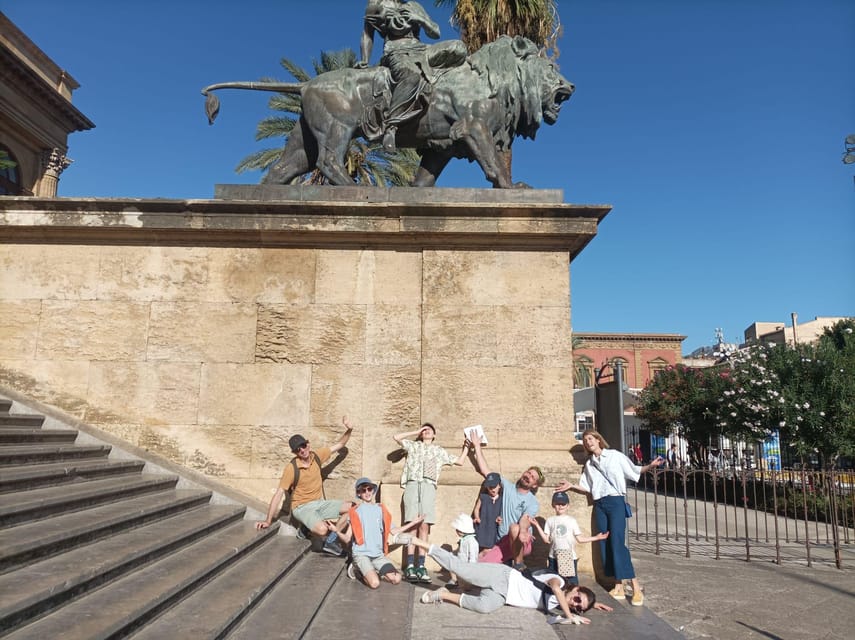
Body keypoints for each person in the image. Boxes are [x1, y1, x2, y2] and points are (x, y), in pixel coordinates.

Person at [555, 429, 665, 606]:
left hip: (615, 502)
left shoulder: (615, 456)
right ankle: (618, 585)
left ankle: (635, 587)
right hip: (600, 505)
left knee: (617, 543)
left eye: (591, 438)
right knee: (605, 543)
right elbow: (587, 487)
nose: (588, 442)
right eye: (585, 441)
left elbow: (634, 471)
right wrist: (571, 486)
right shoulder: (590, 464)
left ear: (599, 440)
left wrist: (650, 466)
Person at [408, 536, 612, 624]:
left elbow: (568, 602)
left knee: (484, 607)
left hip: (504, 595)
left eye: (578, 607)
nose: (574, 603)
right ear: (576, 589)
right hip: (504, 576)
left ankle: (443, 595)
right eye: (577, 598)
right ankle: (418, 542)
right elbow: (559, 592)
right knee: (462, 570)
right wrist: (570, 615)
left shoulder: (559, 606)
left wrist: (591, 605)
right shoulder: (557, 580)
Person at [358, 0, 466, 151]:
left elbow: (435, 32)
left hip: (422, 50)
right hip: (396, 51)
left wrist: (420, 19)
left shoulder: (414, 6)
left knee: (458, 48)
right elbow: (367, 34)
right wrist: (364, 60)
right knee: (412, 74)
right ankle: (391, 126)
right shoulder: (378, 5)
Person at [255, 416, 355, 556]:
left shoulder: (317, 456)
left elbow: (339, 445)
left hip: (319, 503)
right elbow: (278, 494)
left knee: (353, 508)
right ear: (294, 453)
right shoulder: (292, 468)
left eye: (303, 446)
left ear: (308, 444)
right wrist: (268, 520)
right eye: (297, 450)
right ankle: (307, 529)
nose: (302, 450)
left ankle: (330, 541)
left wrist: (349, 429)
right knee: (322, 530)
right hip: (301, 507)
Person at [393, 422, 469, 582]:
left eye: (429, 430)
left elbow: (460, 461)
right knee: (411, 525)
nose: (426, 431)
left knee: (424, 525)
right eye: (424, 430)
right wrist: (417, 431)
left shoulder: (438, 451)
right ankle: (410, 566)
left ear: (434, 435)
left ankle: (421, 565)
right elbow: (396, 437)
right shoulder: (413, 446)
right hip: (413, 484)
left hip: (428, 485)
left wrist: (467, 447)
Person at [468, 435, 542, 570]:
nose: (528, 476)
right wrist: (477, 446)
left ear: (534, 485)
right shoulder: (507, 487)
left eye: (532, 477)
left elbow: (525, 519)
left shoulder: (533, 501)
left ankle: (518, 565)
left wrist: (524, 531)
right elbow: (486, 471)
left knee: (514, 527)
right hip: (503, 542)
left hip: (522, 540)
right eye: (528, 473)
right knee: (479, 564)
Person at [336, 477, 423, 589]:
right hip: (361, 554)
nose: (367, 492)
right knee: (375, 584)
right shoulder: (355, 511)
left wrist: (413, 523)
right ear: (359, 493)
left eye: (369, 489)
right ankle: (357, 569)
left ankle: (371, 569)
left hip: (378, 555)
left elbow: (394, 531)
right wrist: (336, 531)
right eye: (363, 490)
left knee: (397, 579)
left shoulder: (380, 509)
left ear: (373, 490)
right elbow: (347, 537)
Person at [529, 491, 609, 585]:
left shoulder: (572, 521)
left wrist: (596, 538)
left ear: (568, 506)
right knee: (553, 580)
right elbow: (546, 539)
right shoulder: (550, 521)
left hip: (569, 556)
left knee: (571, 583)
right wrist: (537, 525)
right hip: (553, 557)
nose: (560, 506)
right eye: (557, 504)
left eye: (563, 504)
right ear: (553, 505)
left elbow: (579, 539)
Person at [446, 513, 479, 589]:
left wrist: (470, 568)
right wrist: (453, 554)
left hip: (467, 567)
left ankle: (467, 585)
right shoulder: (463, 540)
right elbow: (460, 551)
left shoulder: (471, 542)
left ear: (461, 530)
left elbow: (473, 557)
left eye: (457, 530)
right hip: (461, 564)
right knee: (451, 560)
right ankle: (454, 580)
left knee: (466, 585)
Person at [472, 472, 503, 551]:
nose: (492, 489)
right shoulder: (483, 497)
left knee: (492, 546)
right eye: (490, 487)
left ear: (499, 486)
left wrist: (500, 519)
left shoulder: (502, 499)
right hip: (483, 524)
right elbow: (476, 508)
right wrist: (477, 517)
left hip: (494, 526)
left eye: (494, 486)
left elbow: (503, 512)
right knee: (480, 543)